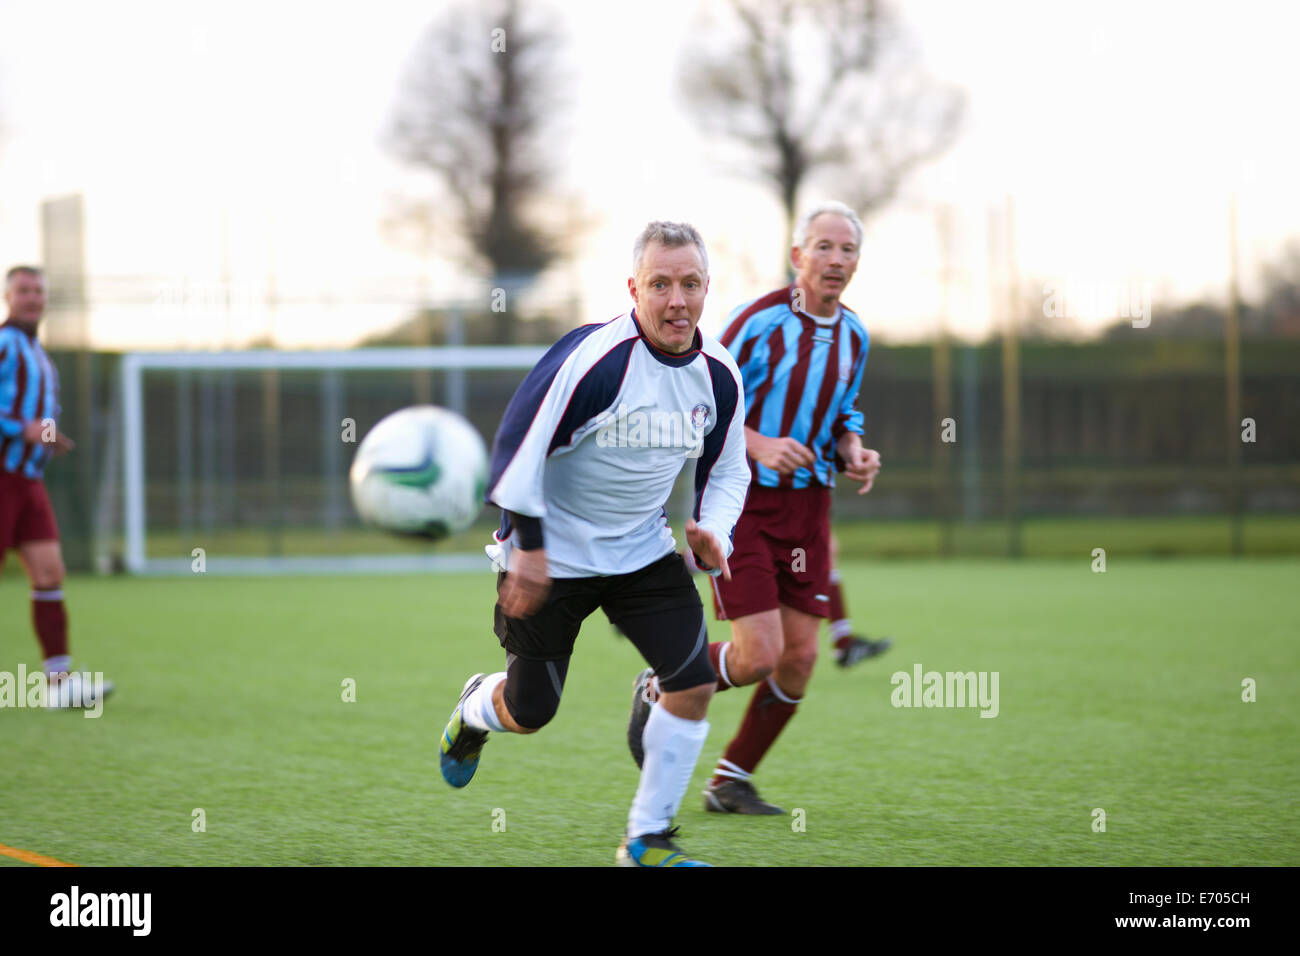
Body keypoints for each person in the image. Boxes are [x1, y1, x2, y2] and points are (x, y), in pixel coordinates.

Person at [437, 222, 751, 866]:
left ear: (706, 289)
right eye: (660, 285)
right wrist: (525, 546)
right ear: (634, 288)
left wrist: (714, 532)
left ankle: (646, 839)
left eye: (690, 285)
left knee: (690, 682)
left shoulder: (718, 375)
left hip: (641, 552)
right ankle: (474, 709)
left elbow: (730, 470)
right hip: (551, 556)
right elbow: (516, 444)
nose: (676, 301)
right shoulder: (595, 360)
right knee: (531, 711)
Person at [627, 201, 881, 814]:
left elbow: (843, 413)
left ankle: (729, 780)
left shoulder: (855, 335)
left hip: (810, 512)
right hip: (745, 506)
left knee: (798, 661)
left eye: (847, 249)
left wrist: (853, 449)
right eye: (823, 246)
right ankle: (661, 683)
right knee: (757, 654)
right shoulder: (760, 323)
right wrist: (760, 443)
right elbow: (701, 395)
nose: (835, 260)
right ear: (798, 256)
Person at [0, 265, 113, 709]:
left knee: (49, 573)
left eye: (39, 291)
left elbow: (33, 419)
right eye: (23, 290)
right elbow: (17, 420)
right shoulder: (6, 344)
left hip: (29, 482)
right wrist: (19, 428)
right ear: (8, 296)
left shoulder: (39, 354)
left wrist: (48, 437)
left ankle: (59, 684)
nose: (33, 298)